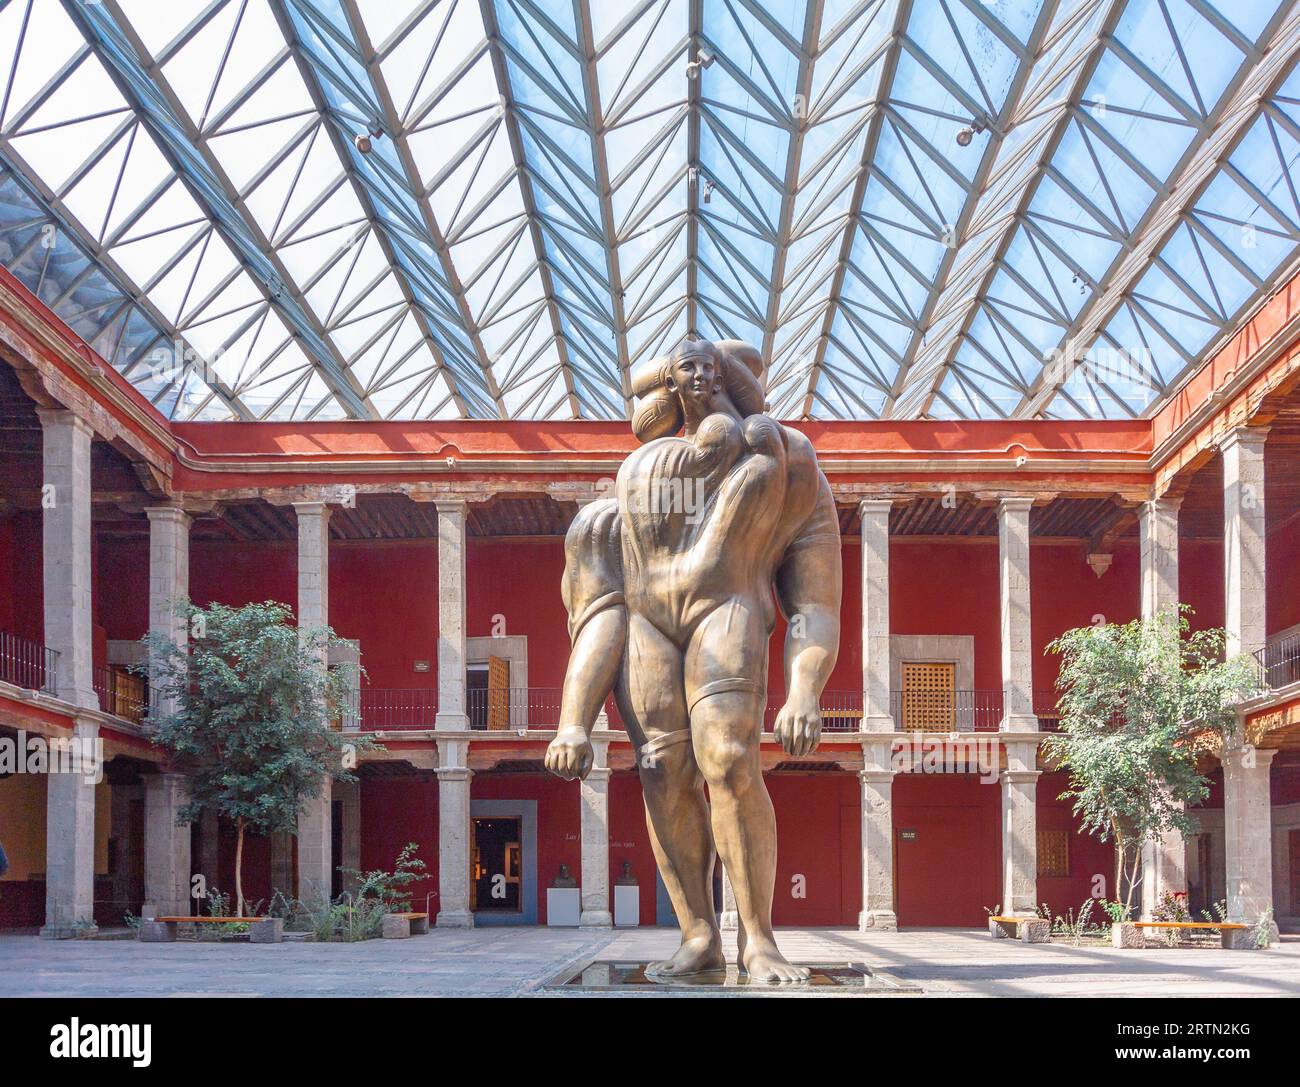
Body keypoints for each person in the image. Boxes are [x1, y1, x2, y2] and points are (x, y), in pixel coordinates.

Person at [545, 337, 841, 983]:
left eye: (718, 375)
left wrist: (804, 692)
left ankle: (759, 940)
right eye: (691, 374)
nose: (707, 387)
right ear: (675, 391)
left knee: (731, 757)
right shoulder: (612, 510)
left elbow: (815, 603)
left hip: (728, 606)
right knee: (660, 767)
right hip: (650, 621)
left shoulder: (790, 473)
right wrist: (574, 720)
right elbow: (601, 614)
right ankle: (699, 933)